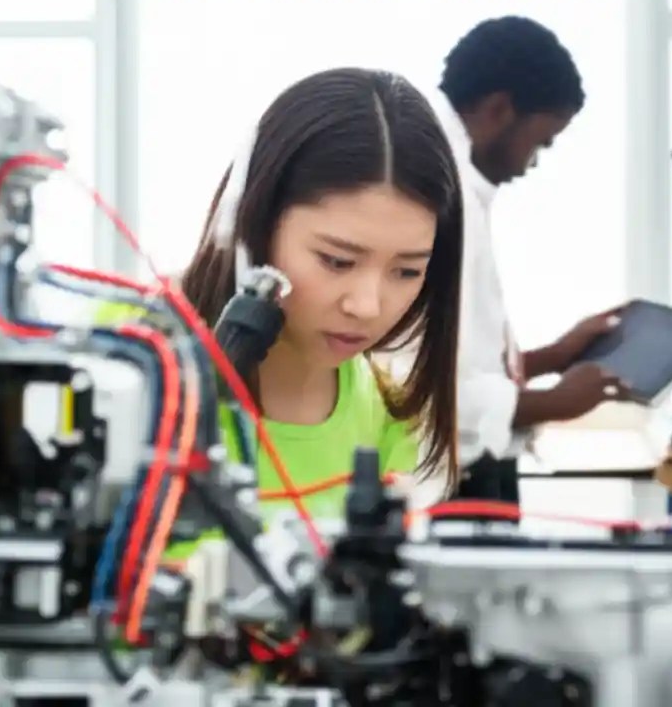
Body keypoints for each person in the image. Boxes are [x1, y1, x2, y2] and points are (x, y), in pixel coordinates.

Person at [101, 67, 464, 515]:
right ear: (255, 223)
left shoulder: (389, 412)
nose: (367, 306)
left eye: (407, 271)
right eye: (337, 261)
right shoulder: (118, 354)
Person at [430, 16, 630, 506]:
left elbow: (458, 358)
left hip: (474, 466)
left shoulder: (460, 186)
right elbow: (409, 384)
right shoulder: (429, 193)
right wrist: (554, 402)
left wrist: (553, 357)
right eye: (540, 142)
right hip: (446, 478)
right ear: (499, 109)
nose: (531, 163)